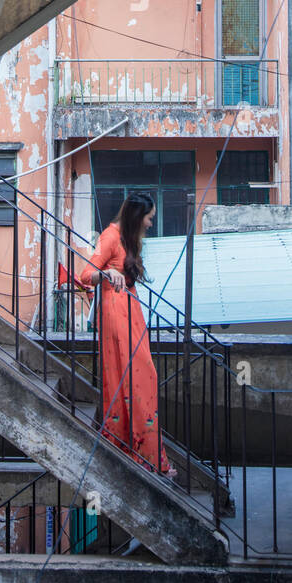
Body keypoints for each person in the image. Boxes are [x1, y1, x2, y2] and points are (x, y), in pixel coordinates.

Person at [78, 191, 177, 479]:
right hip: (116, 310)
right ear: (137, 216)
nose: (150, 224)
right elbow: (85, 275)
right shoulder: (110, 236)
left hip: (129, 310)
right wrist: (108, 275)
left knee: (143, 378)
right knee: (131, 378)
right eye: (148, 218)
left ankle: (145, 455)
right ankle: (133, 452)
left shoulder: (125, 238)